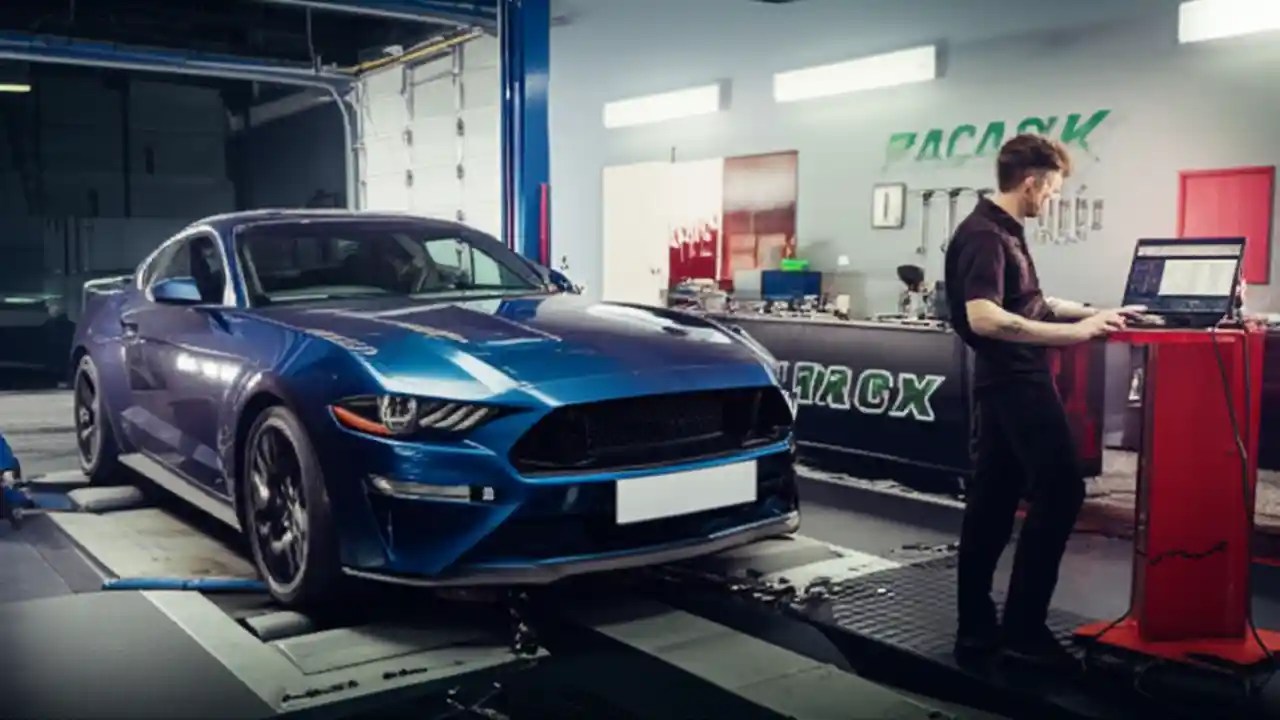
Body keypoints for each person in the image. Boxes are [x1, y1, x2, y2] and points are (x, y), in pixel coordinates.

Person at [944, 134, 1143, 668]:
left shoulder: (1000, 231)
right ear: (1031, 182)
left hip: (1004, 379)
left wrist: (1094, 313)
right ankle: (1024, 627)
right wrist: (1076, 336)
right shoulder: (986, 236)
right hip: (1015, 380)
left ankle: (977, 627)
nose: (1051, 200)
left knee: (993, 499)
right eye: (1051, 191)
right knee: (1060, 491)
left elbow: (1029, 300)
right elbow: (986, 316)